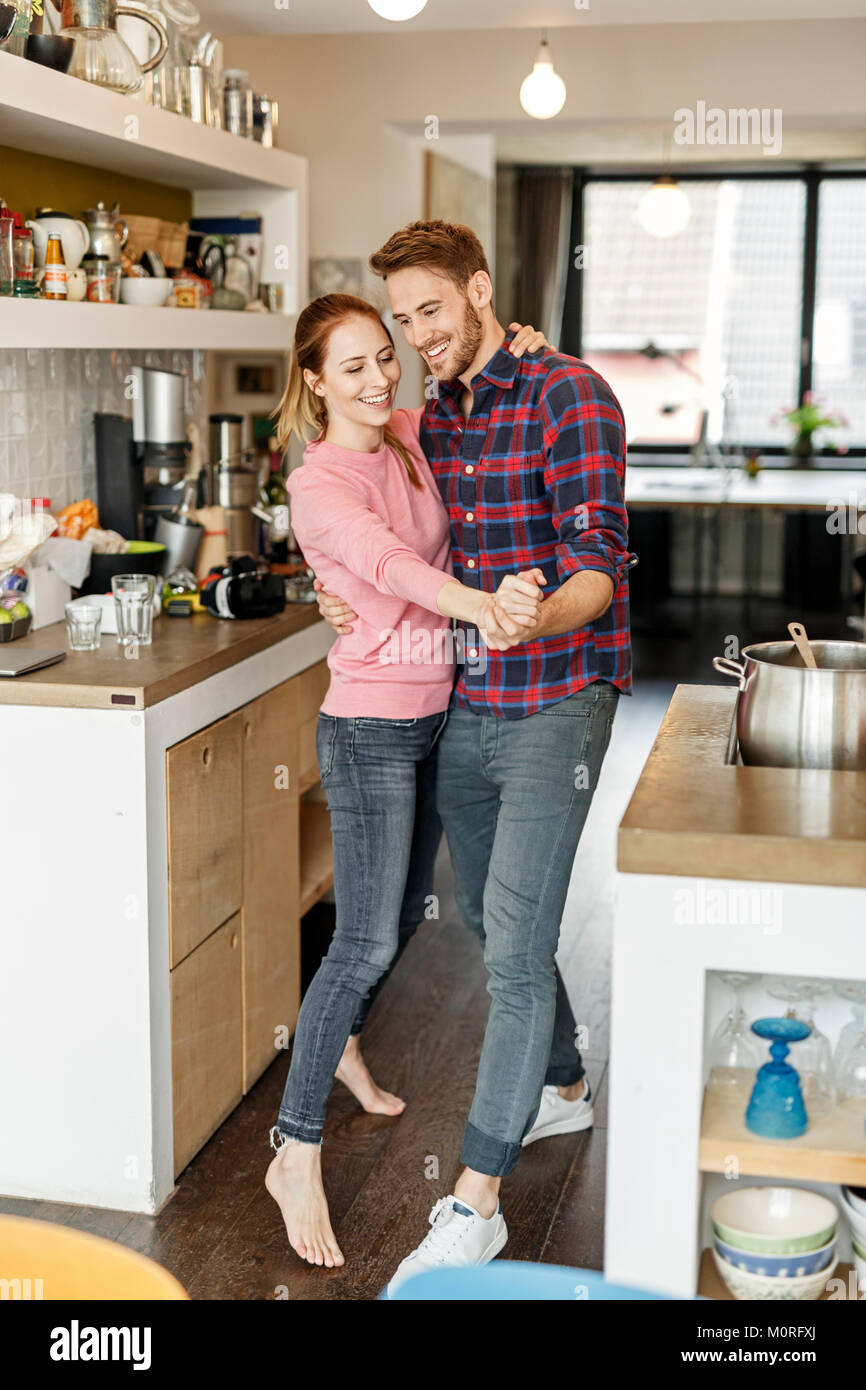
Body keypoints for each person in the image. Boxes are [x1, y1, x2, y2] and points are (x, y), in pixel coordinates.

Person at [314, 221, 632, 1296]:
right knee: (495, 919)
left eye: (430, 312)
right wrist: (333, 585)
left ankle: (478, 1203)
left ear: (479, 290)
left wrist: (529, 618)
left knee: (510, 948)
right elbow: (364, 506)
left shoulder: (567, 394)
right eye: (399, 322)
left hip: (556, 694)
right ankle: (561, 1079)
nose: (414, 336)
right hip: (463, 696)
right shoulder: (425, 421)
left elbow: (594, 564)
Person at [264, 291, 549, 1270]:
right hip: (371, 730)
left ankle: (333, 1039)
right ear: (315, 381)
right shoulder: (320, 483)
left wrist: (525, 349)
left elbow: (490, 411)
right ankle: (291, 1148)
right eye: (352, 368)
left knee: (396, 928)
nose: (380, 377)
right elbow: (383, 560)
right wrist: (476, 604)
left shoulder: (412, 435)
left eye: (383, 356)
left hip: (439, 713)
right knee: (364, 938)